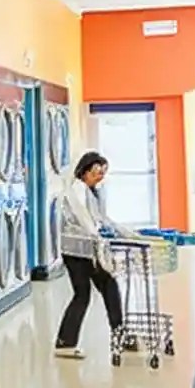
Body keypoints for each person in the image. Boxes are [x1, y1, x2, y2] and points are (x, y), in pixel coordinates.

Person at [55, 151, 138, 359]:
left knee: (109, 286)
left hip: (88, 250)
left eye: (103, 173)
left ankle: (119, 334)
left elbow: (102, 218)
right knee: (82, 294)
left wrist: (126, 232)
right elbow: (84, 219)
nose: (100, 176)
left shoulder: (92, 191)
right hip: (75, 251)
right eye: (96, 172)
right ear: (84, 171)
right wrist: (98, 237)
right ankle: (65, 343)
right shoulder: (76, 190)